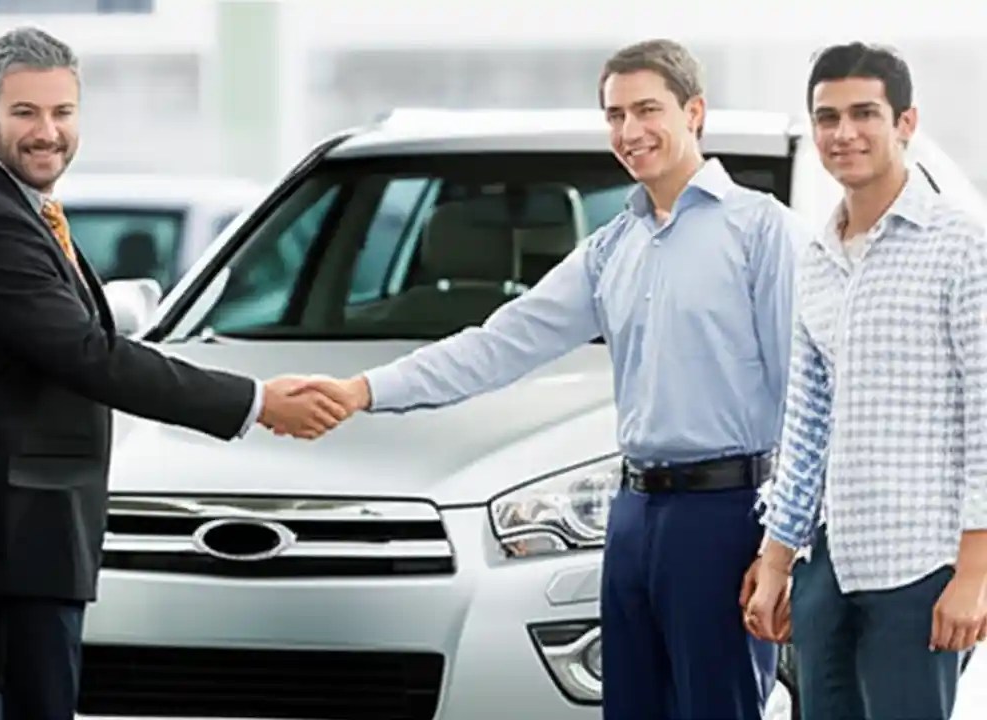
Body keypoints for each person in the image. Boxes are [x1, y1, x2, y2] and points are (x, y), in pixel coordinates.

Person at [294, 39, 807, 719]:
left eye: (647, 110)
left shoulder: (761, 231)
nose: (629, 132)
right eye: (615, 115)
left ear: (694, 113)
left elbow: (807, 399)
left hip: (725, 515)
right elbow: (498, 344)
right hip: (631, 517)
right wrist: (364, 390)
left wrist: (785, 550)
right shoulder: (611, 248)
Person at [0, 27, 348, 720]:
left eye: (62, 113)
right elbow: (89, 355)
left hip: (37, 526)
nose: (47, 132)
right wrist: (256, 401)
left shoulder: (23, 212)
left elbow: (64, 337)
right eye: (25, 113)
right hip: (14, 531)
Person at [745, 42, 987, 720]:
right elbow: (807, 423)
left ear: (905, 123)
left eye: (863, 114)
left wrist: (976, 573)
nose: (843, 133)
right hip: (827, 566)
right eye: (827, 118)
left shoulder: (962, 247)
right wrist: (775, 562)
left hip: (921, 566)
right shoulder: (819, 258)